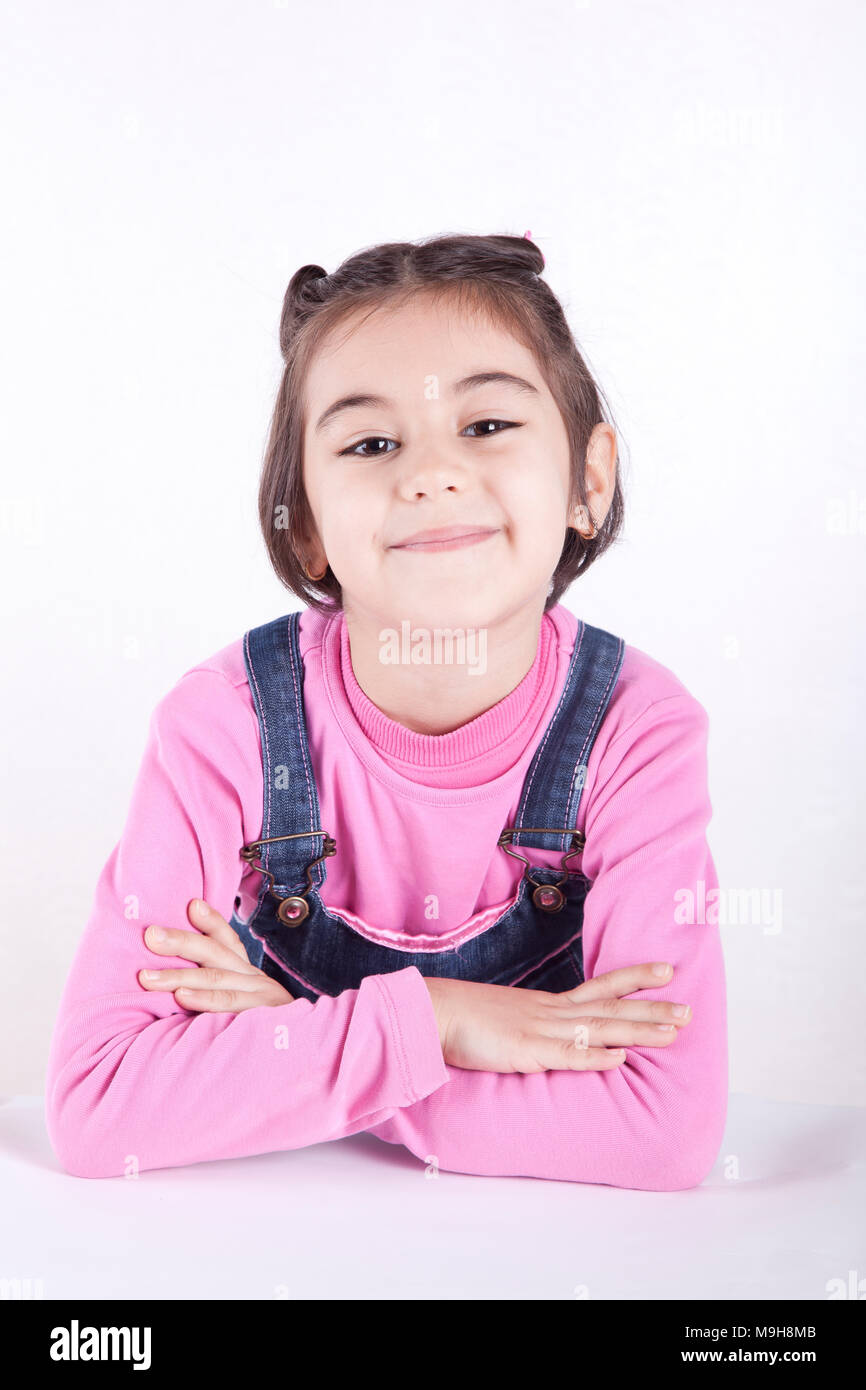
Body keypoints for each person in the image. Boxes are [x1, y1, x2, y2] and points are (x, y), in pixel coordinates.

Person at [44, 232, 727, 1188]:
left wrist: (290, 1043)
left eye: (488, 425)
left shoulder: (635, 733)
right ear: (308, 525)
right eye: (371, 443)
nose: (432, 473)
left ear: (588, 479)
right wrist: (437, 1020)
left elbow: (661, 1127)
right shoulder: (224, 728)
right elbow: (99, 1105)